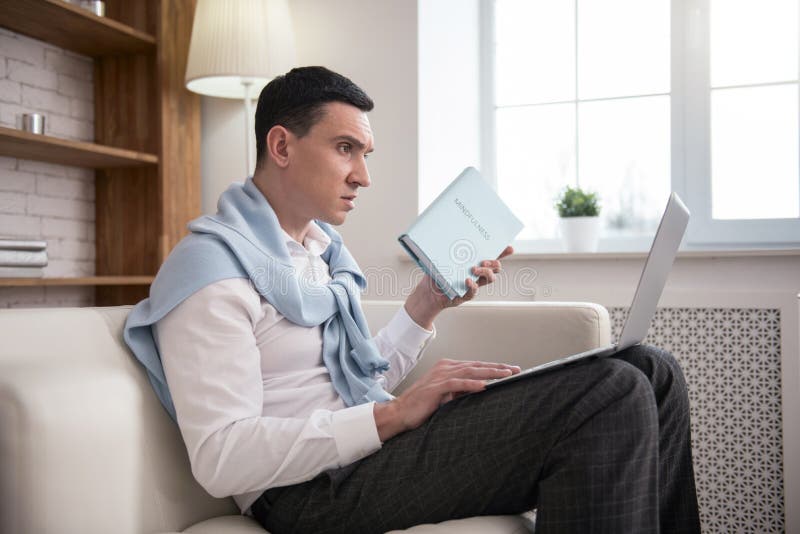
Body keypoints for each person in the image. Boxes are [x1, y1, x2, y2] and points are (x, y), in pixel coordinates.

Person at [124, 66, 701, 534]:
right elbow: (222, 456)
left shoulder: (317, 253)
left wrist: (424, 305)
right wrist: (392, 414)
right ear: (281, 145)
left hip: (361, 455)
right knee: (611, 390)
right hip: (305, 494)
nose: (363, 176)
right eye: (346, 148)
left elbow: (340, 376)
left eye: (366, 153)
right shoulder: (210, 272)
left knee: (652, 370)